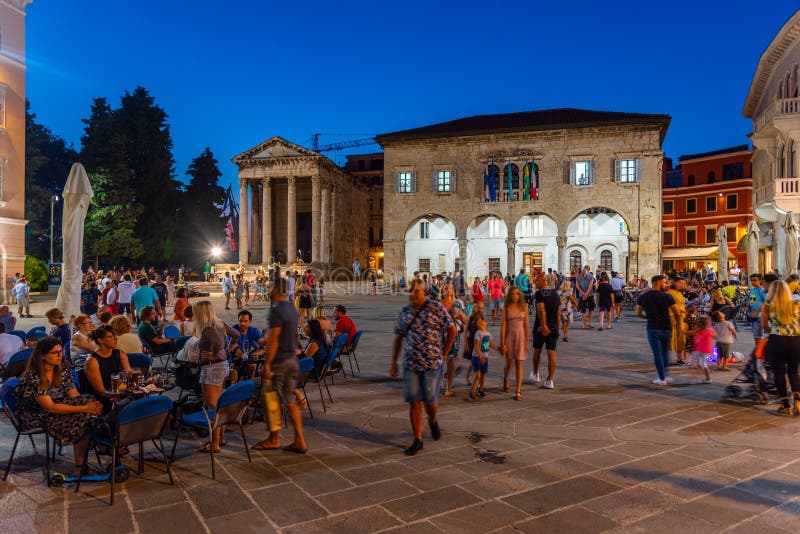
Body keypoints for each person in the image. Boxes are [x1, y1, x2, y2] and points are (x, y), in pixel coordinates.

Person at [15, 336, 103, 476]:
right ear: (43, 356)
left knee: (88, 401)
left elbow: (74, 395)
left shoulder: (61, 370)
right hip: (36, 415)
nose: (60, 355)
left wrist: (89, 405)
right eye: (55, 353)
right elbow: (49, 407)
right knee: (84, 418)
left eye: (61, 352)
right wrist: (85, 409)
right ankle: (84, 462)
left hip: (58, 406)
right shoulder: (34, 377)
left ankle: (87, 456)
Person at [391, 279, 456, 456]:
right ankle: (418, 439)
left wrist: (444, 352)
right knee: (414, 402)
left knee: (430, 403)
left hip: (432, 363)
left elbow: (452, 330)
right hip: (411, 363)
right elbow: (399, 337)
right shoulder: (404, 312)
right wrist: (394, 362)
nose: (413, 294)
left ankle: (433, 419)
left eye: (417, 291)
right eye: (411, 291)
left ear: (425, 292)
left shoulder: (436, 308)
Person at [252, 278, 308, 453]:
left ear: (276, 289)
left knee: (271, 399)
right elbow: (289, 334)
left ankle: (273, 439)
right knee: (290, 401)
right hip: (292, 359)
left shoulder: (276, 311)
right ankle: (300, 440)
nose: (268, 289)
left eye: (270, 286)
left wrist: (267, 364)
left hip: (280, 361)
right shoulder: (291, 308)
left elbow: (275, 339)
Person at [193, 300, 240, 452]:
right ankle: (219, 438)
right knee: (219, 405)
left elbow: (218, 342)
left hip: (212, 368)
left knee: (213, 407)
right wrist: (228, 349)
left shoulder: (207, 328)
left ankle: (215, 444)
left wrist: (214, 354)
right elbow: (236, 334)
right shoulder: (219, 323)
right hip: (222, 365)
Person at [760, 280, 800, 415]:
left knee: (779, 372)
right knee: (794, 371)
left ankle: (785, 404)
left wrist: (773, 329)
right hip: (796, 340)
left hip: (777, 340)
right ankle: (798, 401)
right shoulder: (796, 304)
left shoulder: (767, 305)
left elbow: (764, 326)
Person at [636, 275, 681, 385]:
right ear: (658, 283)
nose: (665, 284)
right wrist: (678, 323)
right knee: (665, 353)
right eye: (664, 282)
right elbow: (677, 312)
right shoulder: (667, 296)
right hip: (666, 328)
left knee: (657, 354)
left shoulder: (643, 297)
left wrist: (647, 317)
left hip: (653, 328)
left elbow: (638, 313)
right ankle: (665, 375)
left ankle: (661, 378)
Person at [84, 326, 132, 410]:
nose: (115, 338)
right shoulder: (92, 361)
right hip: (103, 399)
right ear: (100, 340)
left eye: (115, 336)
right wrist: (122, 395)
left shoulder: (120, 353)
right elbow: (100, 391)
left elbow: (129, 375)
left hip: (120, 392)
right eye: (110, 336)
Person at [530, 271, 560, 390]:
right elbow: (558, 312)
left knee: (537, 351)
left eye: (536, 280)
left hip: (540, 327)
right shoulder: (556, 294)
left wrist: (543, 325)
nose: (534, 282)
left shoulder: (539, 294)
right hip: (553, 327)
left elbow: (541, 310)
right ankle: (550, 380)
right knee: (551, 353)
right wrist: (556, 327)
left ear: (542, 281)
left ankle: (536, 374)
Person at [501, 285, 529, 400]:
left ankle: (518, 390)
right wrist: (502, 343)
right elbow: (503, 325)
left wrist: (527, 340)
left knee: (519, 363)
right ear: (509, 295)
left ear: (520, 295)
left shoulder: (524, 307)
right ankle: (506, 379)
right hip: (510, 335)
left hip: (520, 336)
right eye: (512, 294)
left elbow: (526, 325)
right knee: (509, 363)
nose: (515, 296)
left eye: (517, 294)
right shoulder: (506, 307)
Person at [440, 283, 467, 398]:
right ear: (442, 291)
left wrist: (460, 314)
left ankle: (449, 387)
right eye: (446, 288)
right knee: (440, 361)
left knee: (450, 362)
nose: (449, 290)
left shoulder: (457, 304)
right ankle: (439, 381)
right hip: (440, 335)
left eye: (450, 288)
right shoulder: (439, 305)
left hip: (453, 335)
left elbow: (466, 321)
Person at [470, 317, 499, 401]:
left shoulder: (488, 334)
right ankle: (472, 391)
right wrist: (480, 356)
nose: (482, 322)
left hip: (485, 357)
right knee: (478, 375)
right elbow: (476, 346)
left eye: (483, 321)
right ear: (478, 325)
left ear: (485, 323)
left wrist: (499, 348)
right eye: (479, 322)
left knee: (483, 375)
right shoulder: (478, 333)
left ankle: (481, 389)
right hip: (476, 357)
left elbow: (491, 344)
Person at [668, 277, 688, 364]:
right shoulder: (670, 293)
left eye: (683, 283)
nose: (682, 285)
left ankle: (679, 358)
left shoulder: (679, 293)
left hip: (682, 318)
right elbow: (672, 306)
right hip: (674, 318)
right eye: (680, 283)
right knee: (672, 338)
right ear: (674, 283)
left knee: (681, 339)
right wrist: (681, 310)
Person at [690, 316, 714, 384]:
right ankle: (707, 378)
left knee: (697, 363)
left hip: (699, 349)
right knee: (703, 363)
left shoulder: (699, 329)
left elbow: (690, 332)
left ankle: (694, 379)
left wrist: (682, 331)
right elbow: (714, 336)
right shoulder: (709, 330)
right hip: (705, 349)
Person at [748, 274, 767, 344]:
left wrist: (756, 311)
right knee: (755, 336)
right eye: (751, 280)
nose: (753, 282)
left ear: (760, 281)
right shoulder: (752, 290)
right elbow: (750, 300)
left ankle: (759, 352)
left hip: (759, 316)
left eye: (755, 280)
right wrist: (747, 306)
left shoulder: (762, 290)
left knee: (758, 337)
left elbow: (766, 303)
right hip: (752, 315)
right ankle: (758, 352)